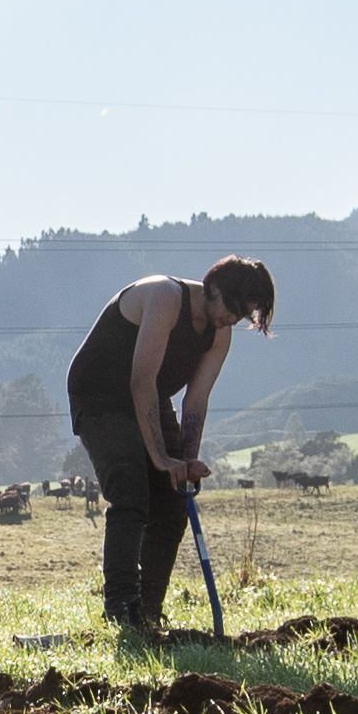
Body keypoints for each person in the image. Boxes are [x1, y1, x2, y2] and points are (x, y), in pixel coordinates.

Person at [64, 256, 277, 642]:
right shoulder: (164, 297)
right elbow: (141, 380)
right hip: (100, 394)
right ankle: (121, 610)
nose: (232, 320)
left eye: (242, 316)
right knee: (130, 492)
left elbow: (195, 401)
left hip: (148, 398)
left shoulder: (219, 333)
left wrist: (185, 462)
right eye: (231, 309)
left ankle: (148, 611)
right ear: (212, 288)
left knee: (173, 502)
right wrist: (162, 458)